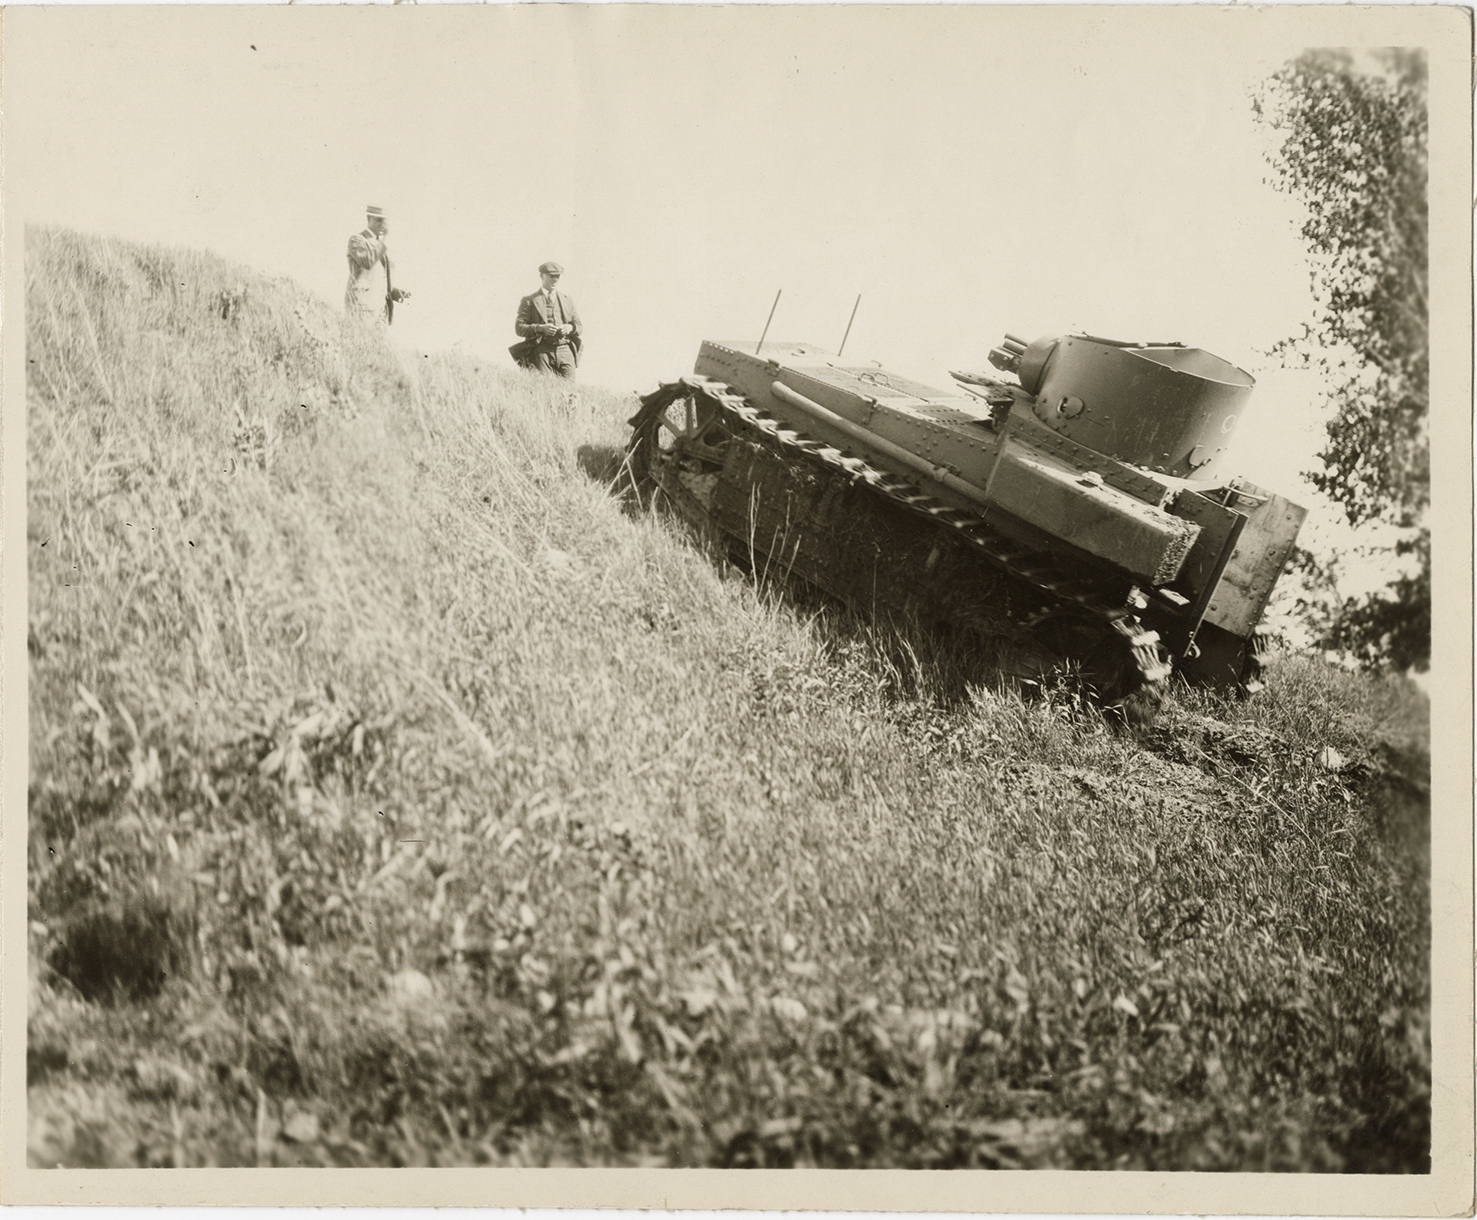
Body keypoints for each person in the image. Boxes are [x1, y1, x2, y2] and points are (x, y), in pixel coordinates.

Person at [513, 262, 582, 378]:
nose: (555, 280)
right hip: (541, 351)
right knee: (543, 385)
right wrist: (540, 328)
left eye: (557, 276)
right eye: (551, 276)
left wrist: (570, 327)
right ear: (541, 276)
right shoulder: (529, 300)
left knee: (570, 387)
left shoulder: (568, 300)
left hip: (564, 349)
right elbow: (519, 328)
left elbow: (579, 326)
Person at [344, 205, 410, 324]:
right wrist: (385, 241)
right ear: (369, 219)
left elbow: (379, 277)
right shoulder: (357, 240)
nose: (382, 224)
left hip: (381, 311)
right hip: (361, 306)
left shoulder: (379, 245)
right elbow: (367, 261)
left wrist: (392, 291)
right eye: (378, 220)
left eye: (384, 221)